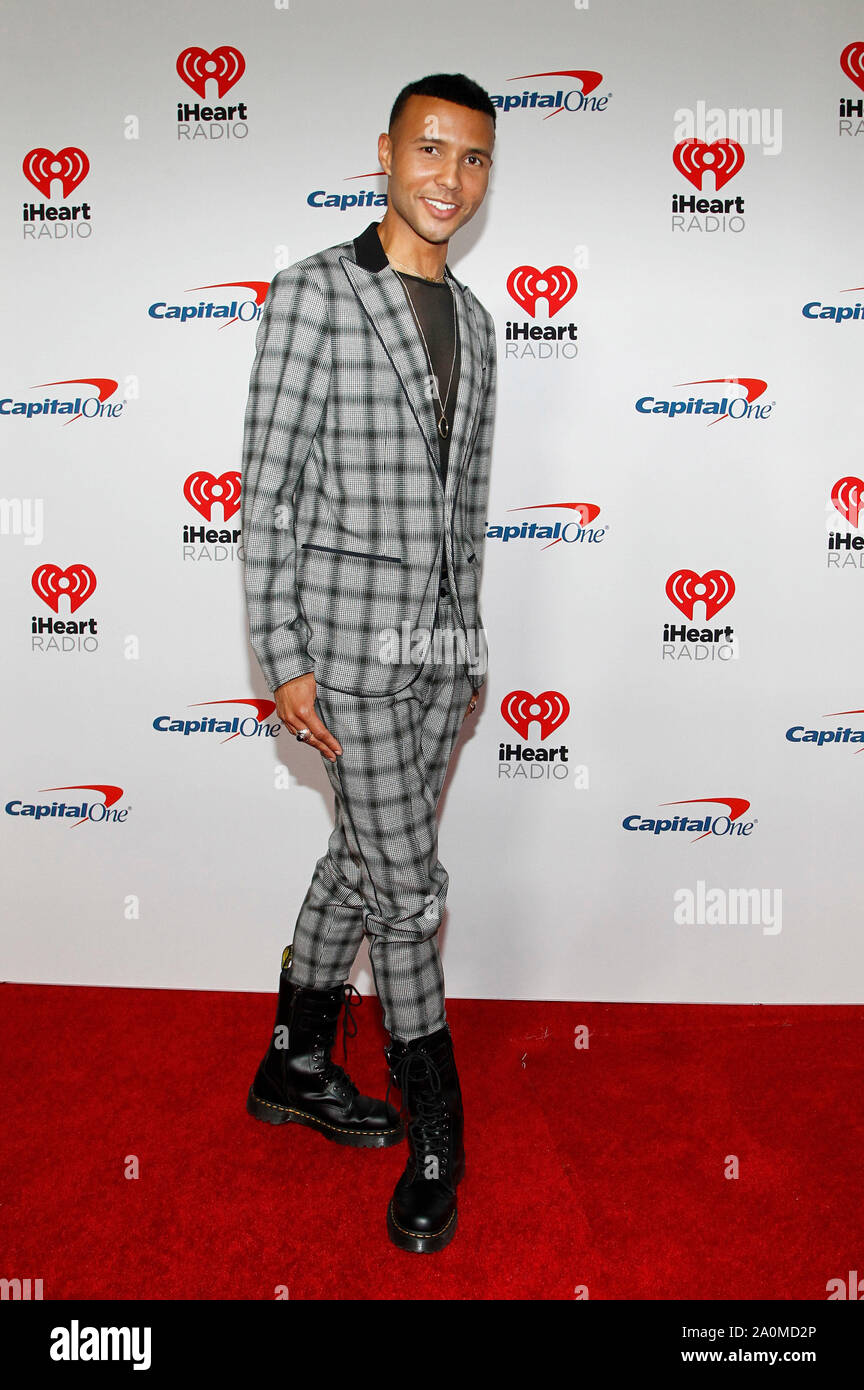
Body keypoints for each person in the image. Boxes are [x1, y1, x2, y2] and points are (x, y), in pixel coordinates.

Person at [240, 72, 497, 1253]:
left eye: (473, 158)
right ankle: (437, 1124)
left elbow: (469, 503)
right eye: (430, 150)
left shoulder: (484, 328)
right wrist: (282, 653)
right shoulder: (313, 295)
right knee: (406, 892)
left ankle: (294, 1058)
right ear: (384, 155)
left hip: (444, 655)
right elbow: (268, 493)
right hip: (343, 649)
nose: (449, 177)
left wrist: (468, 641)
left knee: (363, 854)